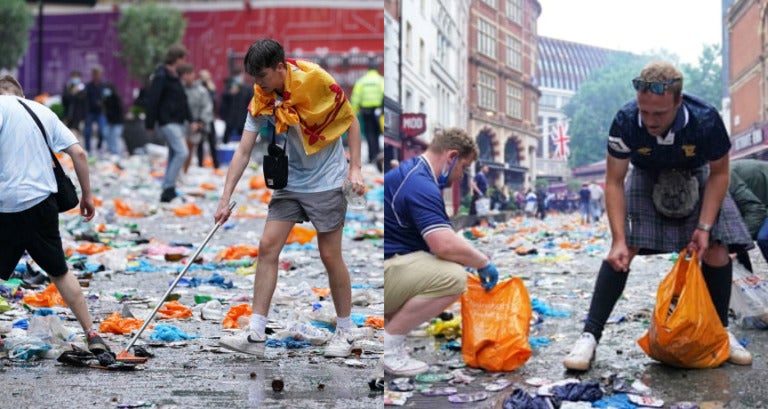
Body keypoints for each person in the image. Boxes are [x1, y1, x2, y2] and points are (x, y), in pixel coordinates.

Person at [563, 61, 754, 371]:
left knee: (717, 248)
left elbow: (720, 173)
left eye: (659, 114)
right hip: (647, 174)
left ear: (678, 101)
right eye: (644, 111)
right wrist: (618, 239)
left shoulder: (705, 120)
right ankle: (589, 336)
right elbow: (613, 181)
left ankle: (720, 334)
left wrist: (705, 227)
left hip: (698, 172)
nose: (649, 121)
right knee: (623, 254)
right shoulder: (626, 120)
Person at [213, 38, 369, 359]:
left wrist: (355, 169)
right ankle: (256, 333)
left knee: (329, 255)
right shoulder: (262, 98)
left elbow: (350, 120)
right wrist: (224, 198)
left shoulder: (316, 80)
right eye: (255, 80)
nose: (259, 85)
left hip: (327, 178)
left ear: (281, 68)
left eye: (263, 77)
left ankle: (345, 330)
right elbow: (243, 150)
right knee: (268, 246)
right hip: (290, 180)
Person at [0, 75, 111, 357]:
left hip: (5, 205)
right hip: (42, 204)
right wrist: (87, 196)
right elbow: (80, 153)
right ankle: (92, 333)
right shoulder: (41, 111)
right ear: (20, 94)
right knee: (59, 271)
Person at [384, 127, 499, 375]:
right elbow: (443, 244)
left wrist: (467, 256)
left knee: (449, 267)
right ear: (452, 156)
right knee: (453, 278)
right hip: (385, 271)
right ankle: (390, 347)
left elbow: (442, 238)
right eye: (464, 167)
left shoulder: (414, 173)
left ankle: (391, 329)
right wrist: (482, 262)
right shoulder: (420, 184)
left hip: (389, 265)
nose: (461, 176)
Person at [144, 44, 192, 202]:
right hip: (167, 121)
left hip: (177, 121)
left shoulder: (174, 76)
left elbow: (183, 101)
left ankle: (168, 189)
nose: (185, 62)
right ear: (176, 58)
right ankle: (169, 187)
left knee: (174, 154)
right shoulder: (161, 76)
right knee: (182, 152)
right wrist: (149, 124)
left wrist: (190, 119)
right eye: (183, 58)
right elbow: (153, 100)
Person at [729, 159, 768, 272]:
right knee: (731, 241)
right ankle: (748, 279)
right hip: (760, 200)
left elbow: (756, 210)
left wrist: (736, 250)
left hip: (761, 203)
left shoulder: (723, 180)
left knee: (764, 238)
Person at [179, 63, 213, 175]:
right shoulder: (179, 89)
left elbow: (207, 107)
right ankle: (177, 173)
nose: (187, 77)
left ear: (193, 74)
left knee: (189, 151)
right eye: (185, 74)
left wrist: (201, 123)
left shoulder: (201, 91)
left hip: (195, 125)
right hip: (181, 124)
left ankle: (184, 172)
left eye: (189, 74)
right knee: (180, 150)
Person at [350, 58, 384, 164]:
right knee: (377, 133)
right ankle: (378, 155)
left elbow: (355, 98)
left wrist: (353, 113)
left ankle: (372, 157)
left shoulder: (361, 81)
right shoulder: (381, 80)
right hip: (378, 112)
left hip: (366, 112)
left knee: (369, 134)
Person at [219, 68, 253, 144]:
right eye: (237, 76)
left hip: (243, 117)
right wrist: (230, 93)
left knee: (243, 139)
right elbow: (223, 100)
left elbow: (251, 101)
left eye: (240, 75)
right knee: (226, 138)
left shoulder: (247, 88)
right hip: (230, 118)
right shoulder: (229, 87)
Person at [196, 69, 219, 168]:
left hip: (209, 118)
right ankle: (200, 163)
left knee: (212, 141)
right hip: (200, 118)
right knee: (200, 142)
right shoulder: (197, 87)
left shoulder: (211, 87)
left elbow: (214, 101)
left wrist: (211, 88)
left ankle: (216, 163)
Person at [83, 66, 107, 153]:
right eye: (95, 74)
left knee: (102, 131)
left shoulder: (103, 86)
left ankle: (99, 145)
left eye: (98, 74)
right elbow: (84, 99)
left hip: (100, 113)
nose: (96, 76)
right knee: (87, 132)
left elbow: (107, 98)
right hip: (90, 112)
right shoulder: (88, 86)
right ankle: (88, 150)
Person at [101, 81, 124, 156]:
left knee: (115, 137)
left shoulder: (116, 98)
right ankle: (112, 151)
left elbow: (119, 111)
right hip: (110, 122)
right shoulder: (106, 99)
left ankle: (117, 153)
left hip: (117, 122)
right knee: (107, 135)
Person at [61, 70, 87, 137]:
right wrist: (72, 93)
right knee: (68, 131)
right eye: (73, 76)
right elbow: (64, 99)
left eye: (76, 76)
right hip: (68, 113)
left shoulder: (82, 87)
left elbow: (83, 100)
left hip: (78, 113)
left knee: (75, 130)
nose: (75, 78)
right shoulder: (68, 86)